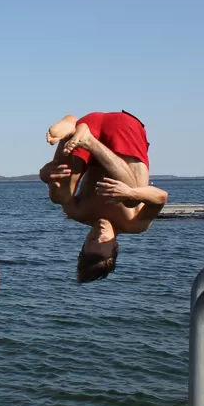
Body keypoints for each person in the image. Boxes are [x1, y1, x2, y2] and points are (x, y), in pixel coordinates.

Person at [40, 111, 168, 283]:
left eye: (92, 239)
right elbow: (161, 197)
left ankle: (68, 126)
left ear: (84, 242)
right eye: (103, 241)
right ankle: (85, 139)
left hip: (87, 127)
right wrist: (131, 193)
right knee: (132, 201)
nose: (99, 233)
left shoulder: (78, 212)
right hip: (123, 128)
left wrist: (46, 176)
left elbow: (59, 188)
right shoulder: (135, 224)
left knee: (59, 197)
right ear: (115, 246)